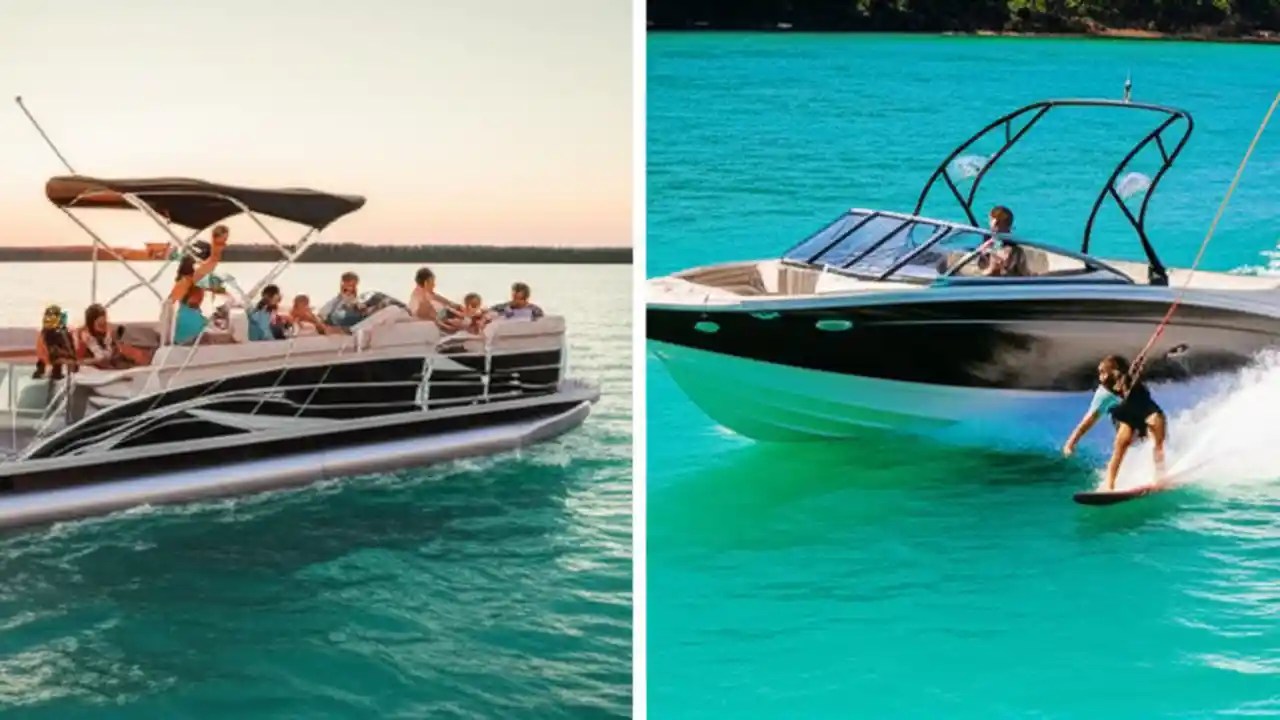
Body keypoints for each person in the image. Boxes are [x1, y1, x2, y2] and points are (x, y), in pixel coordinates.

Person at [1062, 354, 1168, 491]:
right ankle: (1110, 486)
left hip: (1145, 409)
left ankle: (1159, 475)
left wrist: (1139, 365)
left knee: (1157, 423)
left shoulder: (1131, 377)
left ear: (1113, 372)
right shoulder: (1103, 395)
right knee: (1122, 442)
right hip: (1124, 417)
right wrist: (1071, 443)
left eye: (1102, 372)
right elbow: (1088, 421)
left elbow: (1137, 370)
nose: (1100, 377)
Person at [75, 304, 137, 370]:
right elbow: (77, 362)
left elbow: (116, 351)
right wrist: (96, 361)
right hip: (93, 371)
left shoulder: (109, 333)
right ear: (91, 324)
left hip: (111, 367)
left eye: (104, 324)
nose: (103, 328)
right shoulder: (83, 337)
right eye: (100, 325)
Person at [981, 205, 1029, 278]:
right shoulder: (990, 238)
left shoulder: (1010, 245)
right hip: (994, 265)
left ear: (995, 222)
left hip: (1001, 266)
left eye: (990, 220)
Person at [33, 304, 76, 380]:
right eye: (48, 316)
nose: (48, 319)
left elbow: (69, 353)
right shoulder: (45, 334)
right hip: (49, 368)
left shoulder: (64, 333)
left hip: (60, 370)